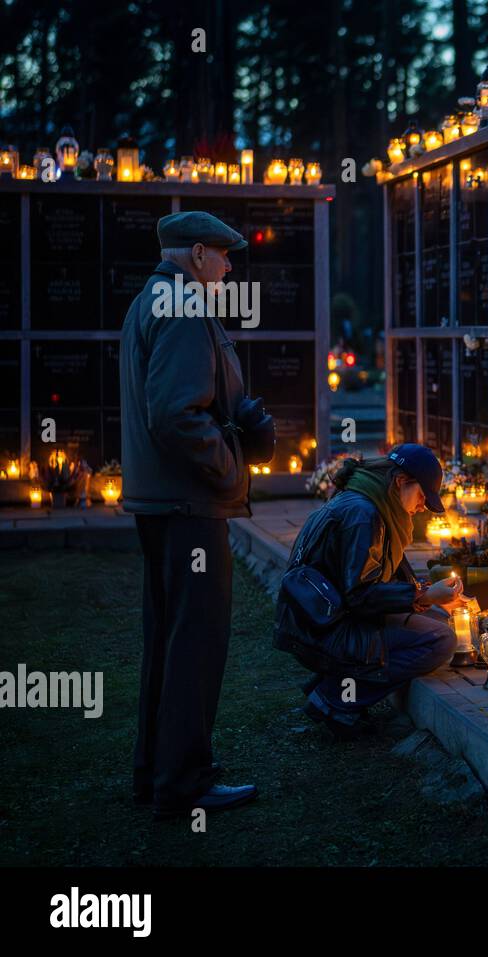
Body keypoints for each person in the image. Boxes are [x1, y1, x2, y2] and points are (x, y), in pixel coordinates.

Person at [119, 211, 267, 820]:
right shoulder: (180, 305)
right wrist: (231, 466)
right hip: (189, 503)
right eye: (225, 257)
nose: (230, 268)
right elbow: (177, 414)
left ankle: (157, 771)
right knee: (195, 644)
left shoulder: (149, 300)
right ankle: (183, 783)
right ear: (198, 254)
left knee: (169, 638)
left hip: (165, 501)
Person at [272, 445, 462, 740]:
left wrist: (427, 594)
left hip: (329, 618)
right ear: (400, 481)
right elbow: (360, 595)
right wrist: (423, 597)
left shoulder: (372, 502)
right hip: (326, 628)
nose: (423, 507)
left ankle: (338, 681)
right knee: (441, 640)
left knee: (438, 618)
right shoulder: (365, 515)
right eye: (423, 496)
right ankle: (334, 697)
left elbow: (375, 579)